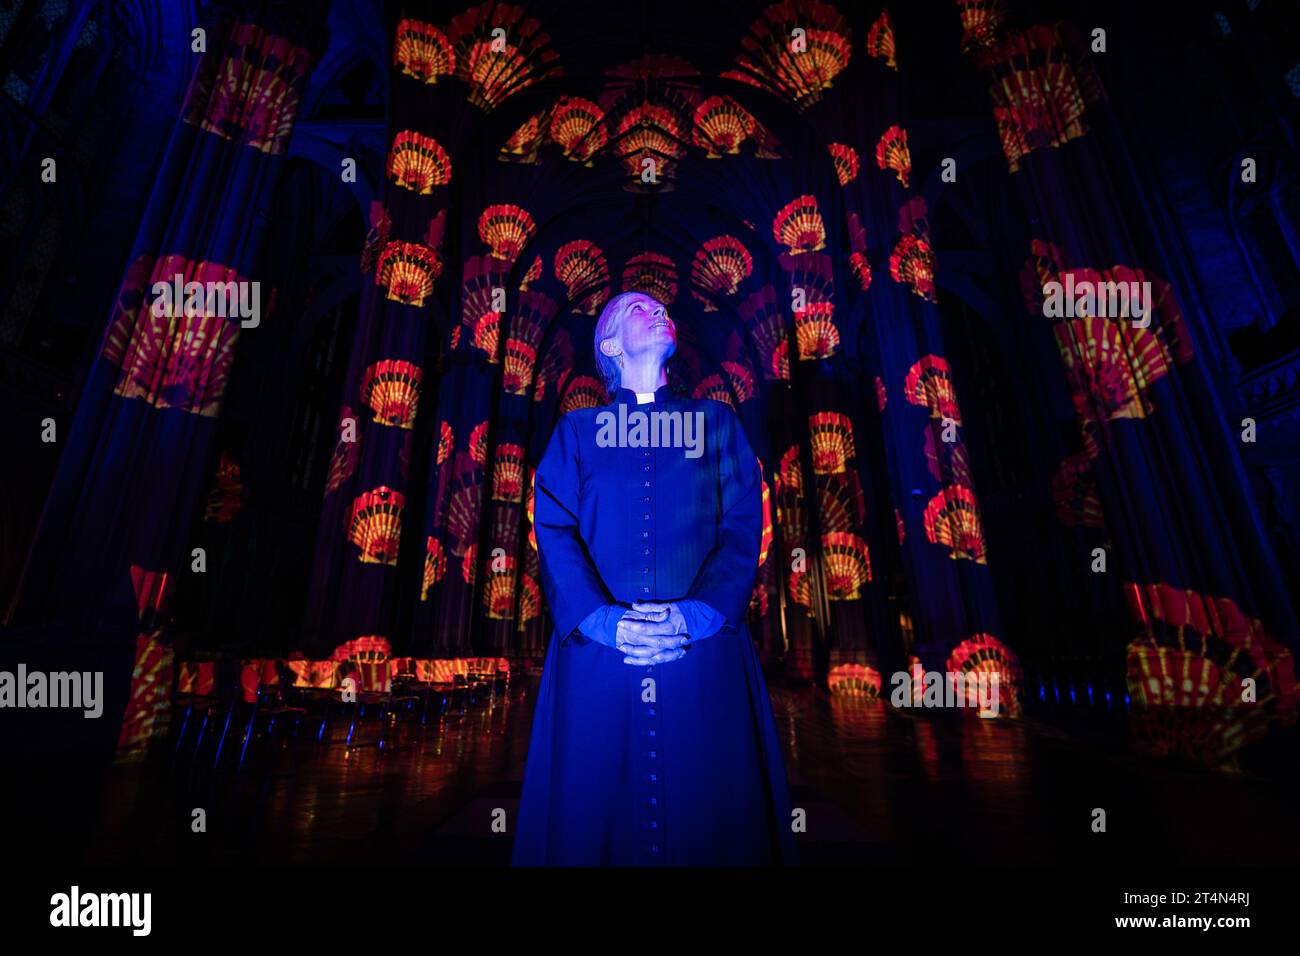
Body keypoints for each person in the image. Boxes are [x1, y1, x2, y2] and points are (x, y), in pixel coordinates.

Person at [512, 290, 798, 866]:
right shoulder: (575, 432)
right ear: (610, 344)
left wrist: (699, 612)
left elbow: (744, 524)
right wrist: (601, 619)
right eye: (639, 308)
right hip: (599, 656)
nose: (661, 311)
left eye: (663, 307)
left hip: (703, 653)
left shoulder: (715, 422)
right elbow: (554, 527)